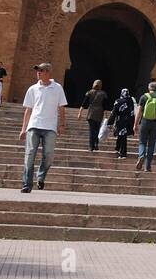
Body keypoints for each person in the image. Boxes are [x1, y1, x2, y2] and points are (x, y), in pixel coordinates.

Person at [18, 63, 67, 193]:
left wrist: (61, 124)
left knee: (49, 155)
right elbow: (28, 110)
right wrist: (23, 128)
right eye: (38, 71)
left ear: (49, 72)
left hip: (50, 127)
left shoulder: (57, 88)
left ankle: (40, 176)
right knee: (29, 154)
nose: (38, 73)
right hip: (34, 125)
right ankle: (26, 184)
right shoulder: (33, 89)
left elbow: (61, 108)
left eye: (41, 70)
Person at [135, 81, 156, 173]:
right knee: (152, 145)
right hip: (155, 123)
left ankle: (141, 156)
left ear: (149, 88)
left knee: (142, 142)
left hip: (145, 122)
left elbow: (139, 111)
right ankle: (147, 167)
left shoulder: (144, 97)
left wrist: (135, 124)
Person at [77, 79, 109, 152]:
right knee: (97, 130)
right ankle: (96, 145)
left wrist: (80, 113)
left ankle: (91, 146)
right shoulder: (103, 94)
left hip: (91, 113)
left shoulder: (89, 93)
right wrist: (106, 116)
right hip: (99, 113)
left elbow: (84, 104)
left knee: (91, 130)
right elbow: (105, 106)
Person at [110, 88, 135, 159]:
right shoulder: (130, 101)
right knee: (122, 136)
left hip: (120, 121)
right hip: (128, 121)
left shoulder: (118, 101)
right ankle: (118, 148)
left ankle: (123, 153)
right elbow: (132, 112)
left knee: (122, 136)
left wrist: (110, 122)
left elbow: (114, 112)